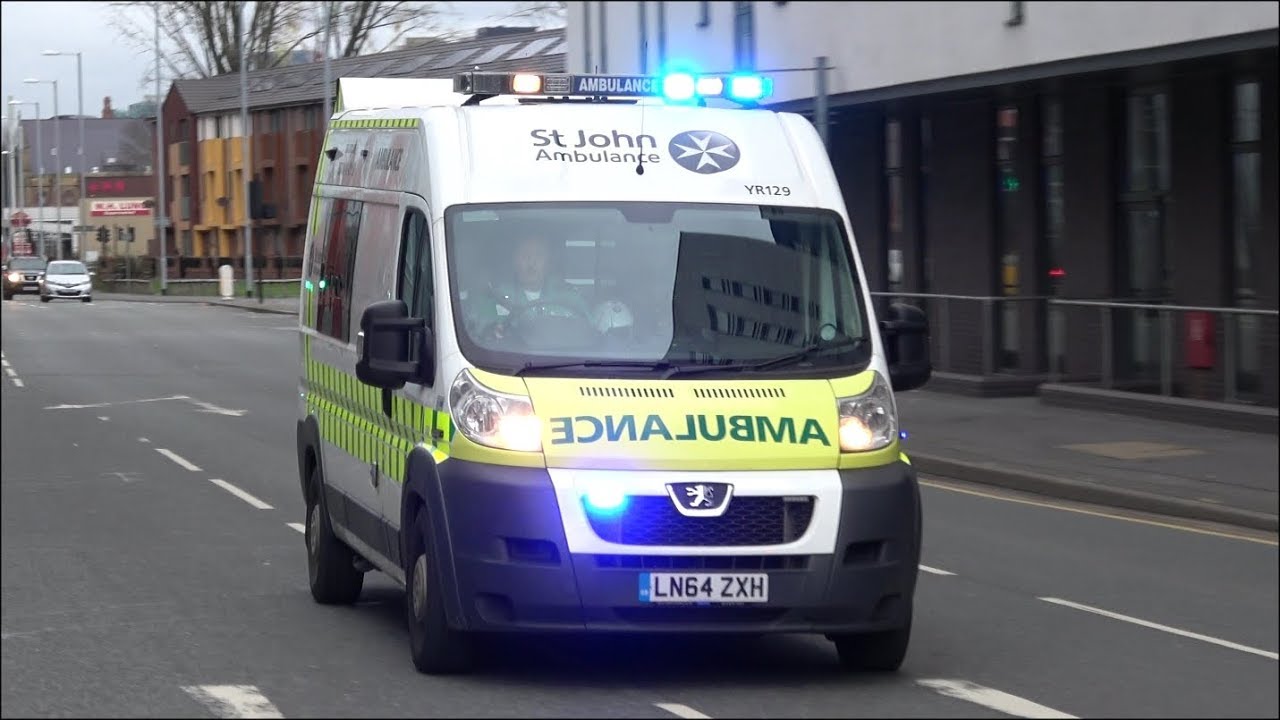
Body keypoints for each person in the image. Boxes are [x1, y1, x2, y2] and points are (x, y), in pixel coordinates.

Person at [465, 235, 589, 341]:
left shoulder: (570, 298)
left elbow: (590, 333)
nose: (531, 261)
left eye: (539, 255)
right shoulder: (493, 298)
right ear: (514, 260)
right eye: (525, 254)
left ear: (549, 262)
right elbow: (476, 334)